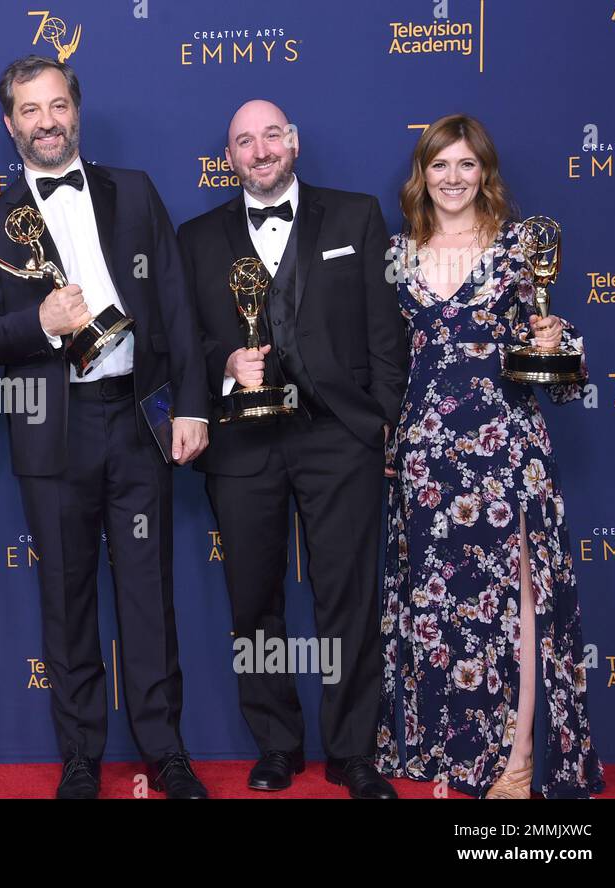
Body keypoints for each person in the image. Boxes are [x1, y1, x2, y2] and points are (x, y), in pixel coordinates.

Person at [0, 56, 210, 800]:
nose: (47, 121)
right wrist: (38, 324)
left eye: (58, 105)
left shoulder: (132, 192)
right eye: (31, 110)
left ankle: (166, 751)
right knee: (65, 597)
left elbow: (177, 305)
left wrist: (192, 404)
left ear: (77, 110)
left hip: (138, 419)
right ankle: (79, 755)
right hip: (52, 429)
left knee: (147, 590)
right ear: (10, 125)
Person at [178, 99, 407, 798]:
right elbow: (181, 341)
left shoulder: (355, 216)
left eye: (270, 136)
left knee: (348, 597)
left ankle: (351, 751)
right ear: (229, 158)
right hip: (244, 441)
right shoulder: (195, 238)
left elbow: (384, 332)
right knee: (253, 600)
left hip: (339, 437)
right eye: (243, 141)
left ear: (295, 143)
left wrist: (384, 424)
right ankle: (276, 743)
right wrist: (225, 369)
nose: (259, 150)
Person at [376, 114, 604, 799]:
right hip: (424, 455)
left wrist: (556, 337)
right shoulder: (395, 254)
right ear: (423, 175)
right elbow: (385, 359)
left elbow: (561, 378)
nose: (452, 178)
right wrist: (387, 434)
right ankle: (451, 753)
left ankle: (518, 763)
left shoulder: (518, 252)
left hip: (505, 449)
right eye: (439, 165)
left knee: (520, 603)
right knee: (440, 608)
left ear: (486, 174)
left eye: (466, 165)